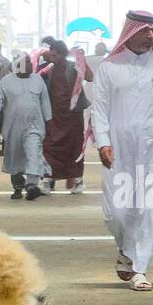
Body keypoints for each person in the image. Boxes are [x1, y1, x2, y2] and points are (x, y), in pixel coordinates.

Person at [92, 10, 153, 292]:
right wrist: (103, 142)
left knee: (152, 207)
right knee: (118, 212)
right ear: (130, 32)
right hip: (121, 152)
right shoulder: (109, 67)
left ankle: (140, 268)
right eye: (145, 30)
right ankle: (126, 249)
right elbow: (99, 110)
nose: (151, 35)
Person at [0, 50, 51, 199]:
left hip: (34, 125)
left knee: (33, 152)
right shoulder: (6, 81)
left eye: (30, 62)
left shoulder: (38, 80)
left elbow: (45, 102)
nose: (30, 64)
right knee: (14, 156)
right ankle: (17, 186)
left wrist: (49, 120)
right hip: (12, 127)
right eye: (27, 62)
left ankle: (31, 185)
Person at [40, 38, 90, 194]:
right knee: (50, 146)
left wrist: (83, 61)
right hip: (53, 116)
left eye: (55, 54)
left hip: (73, 115)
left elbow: (90, 77)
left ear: (62, 54)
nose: (52, 56)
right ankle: (48, 182)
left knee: (74, 146)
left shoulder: (74, 66)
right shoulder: (47, 70)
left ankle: (78, 181)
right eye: (50, 53)